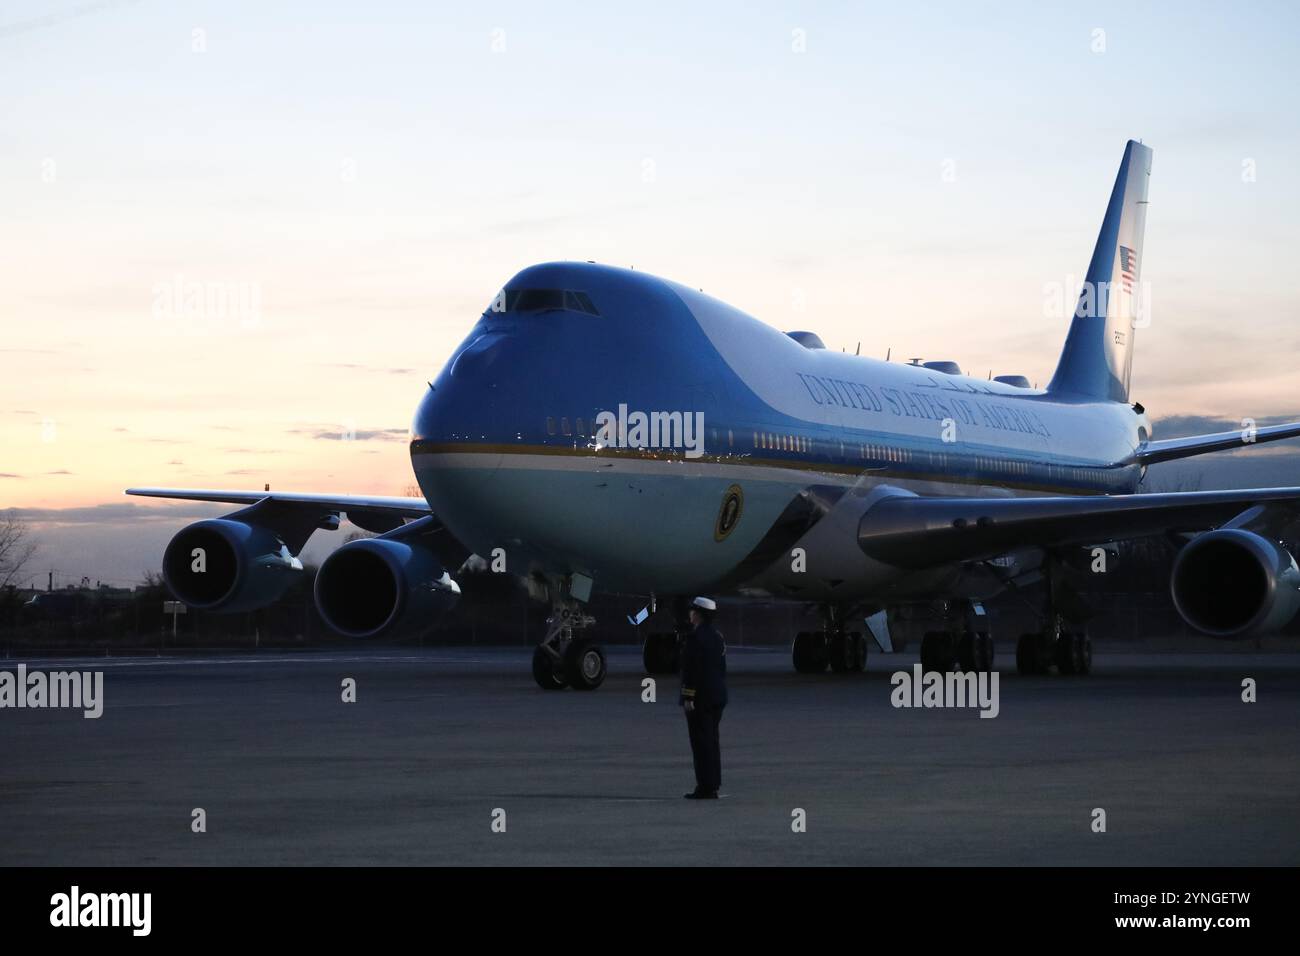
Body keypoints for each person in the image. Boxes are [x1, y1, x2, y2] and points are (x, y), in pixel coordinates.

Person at [680, 596, 727, 799]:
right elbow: (721, 669)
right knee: (712, 741)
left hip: (701, 698)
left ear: (697, 614)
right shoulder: (718, 637)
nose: (690, 614)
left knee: (701, 743)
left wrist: (689, 697)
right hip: (717, 696)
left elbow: (691, 672)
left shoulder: (694, 638)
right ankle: (714, 783)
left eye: (692, 611)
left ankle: (705, 787)